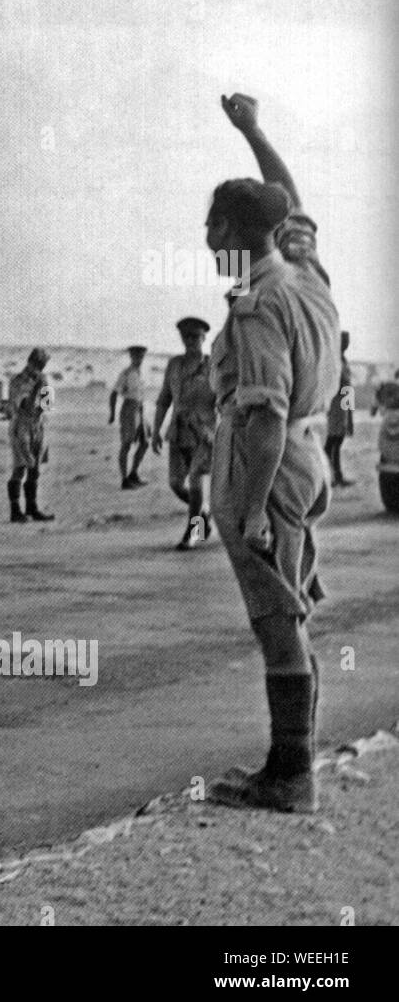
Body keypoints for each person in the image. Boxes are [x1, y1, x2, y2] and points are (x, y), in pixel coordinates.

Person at [204, 93, 341, 814]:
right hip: (307, 460)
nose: (204, 239)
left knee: (277, 623)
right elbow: (291, 205)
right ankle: (291, 767)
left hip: (270, 465)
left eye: (210, 227)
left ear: (229, 229)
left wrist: (251, 509)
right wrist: (253, 131)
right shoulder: (305, 276)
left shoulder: (258, 304)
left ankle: (291, 779)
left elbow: (264, 415)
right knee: (291, 616)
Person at [152, 318, 218, 549]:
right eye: (186, 336)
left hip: (203, 433)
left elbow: (224, 399)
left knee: (197, 484)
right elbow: (163, 400)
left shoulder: (212, 366)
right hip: (178, 432)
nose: (190, 341)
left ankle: (194, 533)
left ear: (203, 338)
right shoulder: (174, 365)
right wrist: (156, 430)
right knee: (176, 484)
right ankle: (205, 513)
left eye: (195, 336)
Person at [7, 348, 54, 522]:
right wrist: (37, 388)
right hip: (22, 426)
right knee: (20, 467)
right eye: (40, 364)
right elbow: (23, 406)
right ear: (32, 362)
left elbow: (47, 405)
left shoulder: (42, 379)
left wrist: (45, 387)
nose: (42, 367)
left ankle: (32, 508)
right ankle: (15, 511)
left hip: (38, 425)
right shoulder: (18, 381)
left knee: (35, 470)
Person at [110, 345, 150, 489]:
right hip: (129, 409)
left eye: (141, 356)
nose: (139, 358)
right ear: (131, 357)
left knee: (145, 443)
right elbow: (114, 393)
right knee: (126, 444)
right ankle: (124, 479)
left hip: (140, 409)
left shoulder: (141, 373)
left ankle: (133, 473)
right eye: (136, 356)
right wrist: (112, 414)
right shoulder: (126, 373)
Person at [323, 330, 354, 487]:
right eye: (344, 341)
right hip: (337, 403)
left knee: (338, 440)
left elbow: (347, 386)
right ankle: (329, 475)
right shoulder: (334, 361)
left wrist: (349, 410)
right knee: (333, 441)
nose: (346, 344)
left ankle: (335, 476)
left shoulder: (343, 360)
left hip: (344, 403)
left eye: (347, 341)